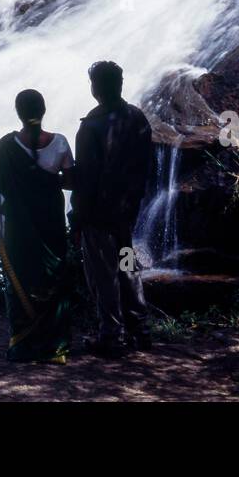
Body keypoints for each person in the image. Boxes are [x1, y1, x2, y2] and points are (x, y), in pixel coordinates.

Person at [0, 88, 75, 363]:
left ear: (18, 113)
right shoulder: (60, 143)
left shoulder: (5, 146)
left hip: (19, 229)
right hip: (51, 224)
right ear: (43, 111)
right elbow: (70, 182)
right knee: (54, 278)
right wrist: (48, 182)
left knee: (20, 279)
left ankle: (22, 344)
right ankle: (55, 348)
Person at [71, 60, 153, 357]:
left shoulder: (90, 127)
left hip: (98, 215)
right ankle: (140, 330)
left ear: (96, 89)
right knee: (128, 267)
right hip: (127, 212)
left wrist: (77, 218)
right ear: (119, 85)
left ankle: (111, 336)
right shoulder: (138, 119)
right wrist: (135, 202)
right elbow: (147, 167)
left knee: (103, 274)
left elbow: (86, 181)